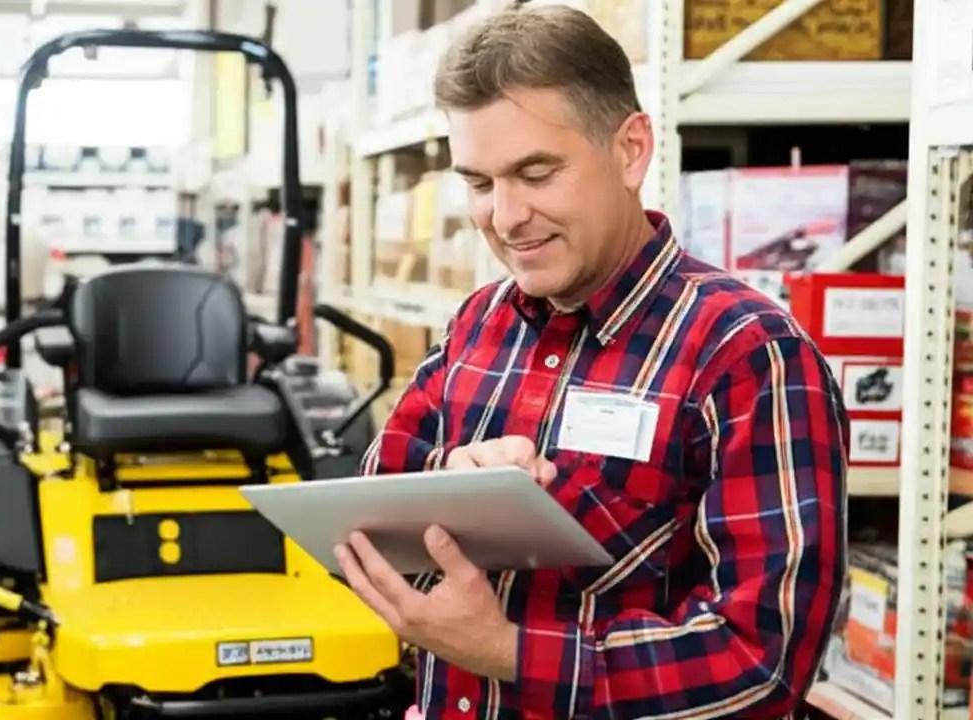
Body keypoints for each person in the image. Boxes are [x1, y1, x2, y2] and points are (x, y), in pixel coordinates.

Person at [334, 6, 849, 719]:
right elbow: (363, 524)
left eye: (536, 173)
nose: (506, 217)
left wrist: (503, 648)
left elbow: (760, 660)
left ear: (632, 150)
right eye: (480, 184)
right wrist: (448, 482)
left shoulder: (748, 355)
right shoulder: (479, 323)